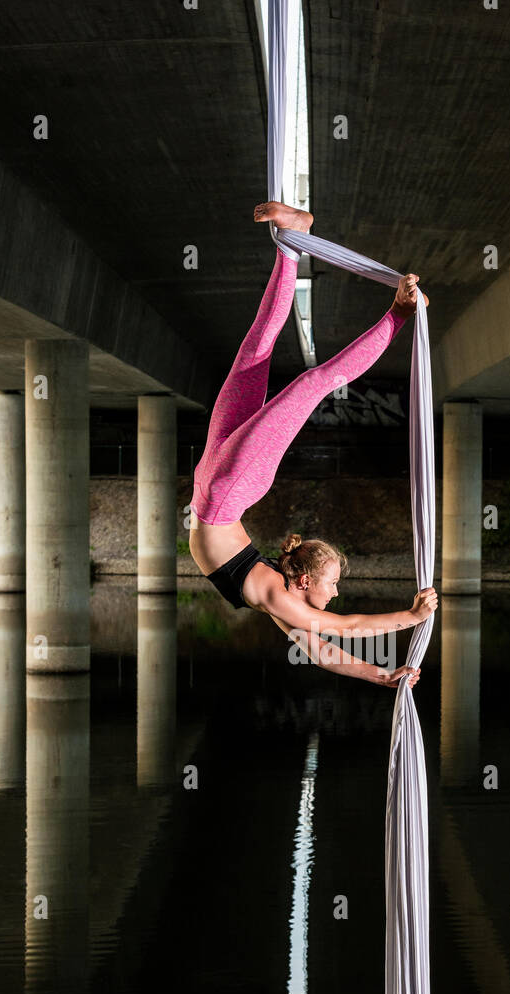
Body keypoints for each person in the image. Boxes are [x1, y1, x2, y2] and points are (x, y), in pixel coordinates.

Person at [188, 201, 437, 689]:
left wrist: (405, 627)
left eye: (334, 582)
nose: (337, 592)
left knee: (295, 374)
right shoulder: (279, 598)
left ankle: (397, 314)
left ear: (302, 581)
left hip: (224, 489)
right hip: (220, 487)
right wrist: (384, 673)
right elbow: (327, 642)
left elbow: (334, 641)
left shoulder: (281, 601)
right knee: (265, 359)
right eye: (336, 583)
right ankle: (294, 242)